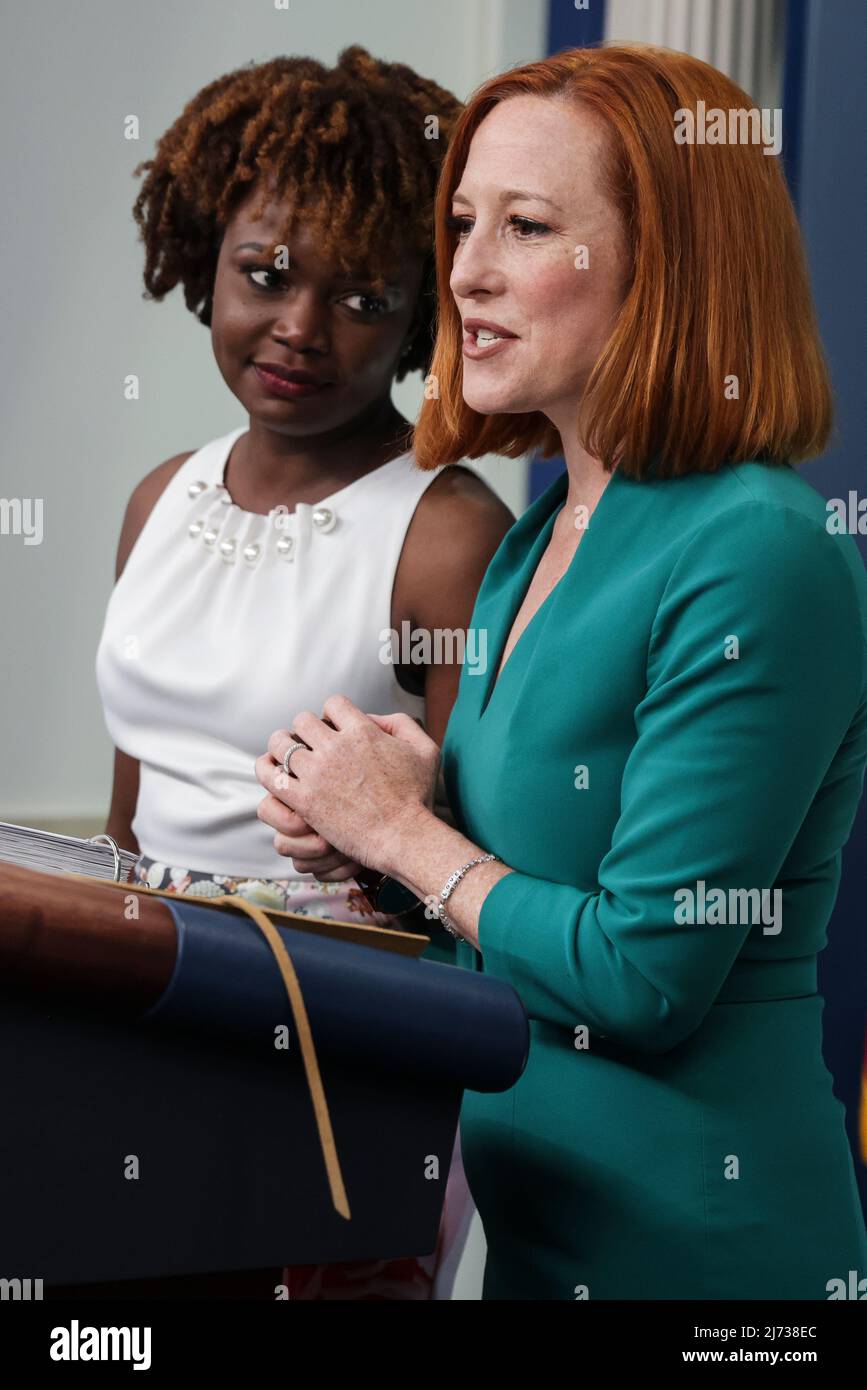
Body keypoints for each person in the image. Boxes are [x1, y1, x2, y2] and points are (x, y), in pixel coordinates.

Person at [256, 43, 867, 1299]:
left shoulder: (759, 550)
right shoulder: (540, 533)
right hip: (537, 1247)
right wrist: (383, 825)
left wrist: (409, 838)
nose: (466, 272)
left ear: (669, 266)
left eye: (527, 227)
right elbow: (520, 928)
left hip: (705, 1268)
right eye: (464, 222)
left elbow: (644, 974)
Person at [96, 46, 513, 1300]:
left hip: (328, 1041)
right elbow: (130, 815)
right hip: (129, 1003)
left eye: (365, 299)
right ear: (203, 255)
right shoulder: (158, 495)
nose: (300, 330)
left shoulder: (447, 531)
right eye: (265, 276)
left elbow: (478, 858)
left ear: (423, 315)